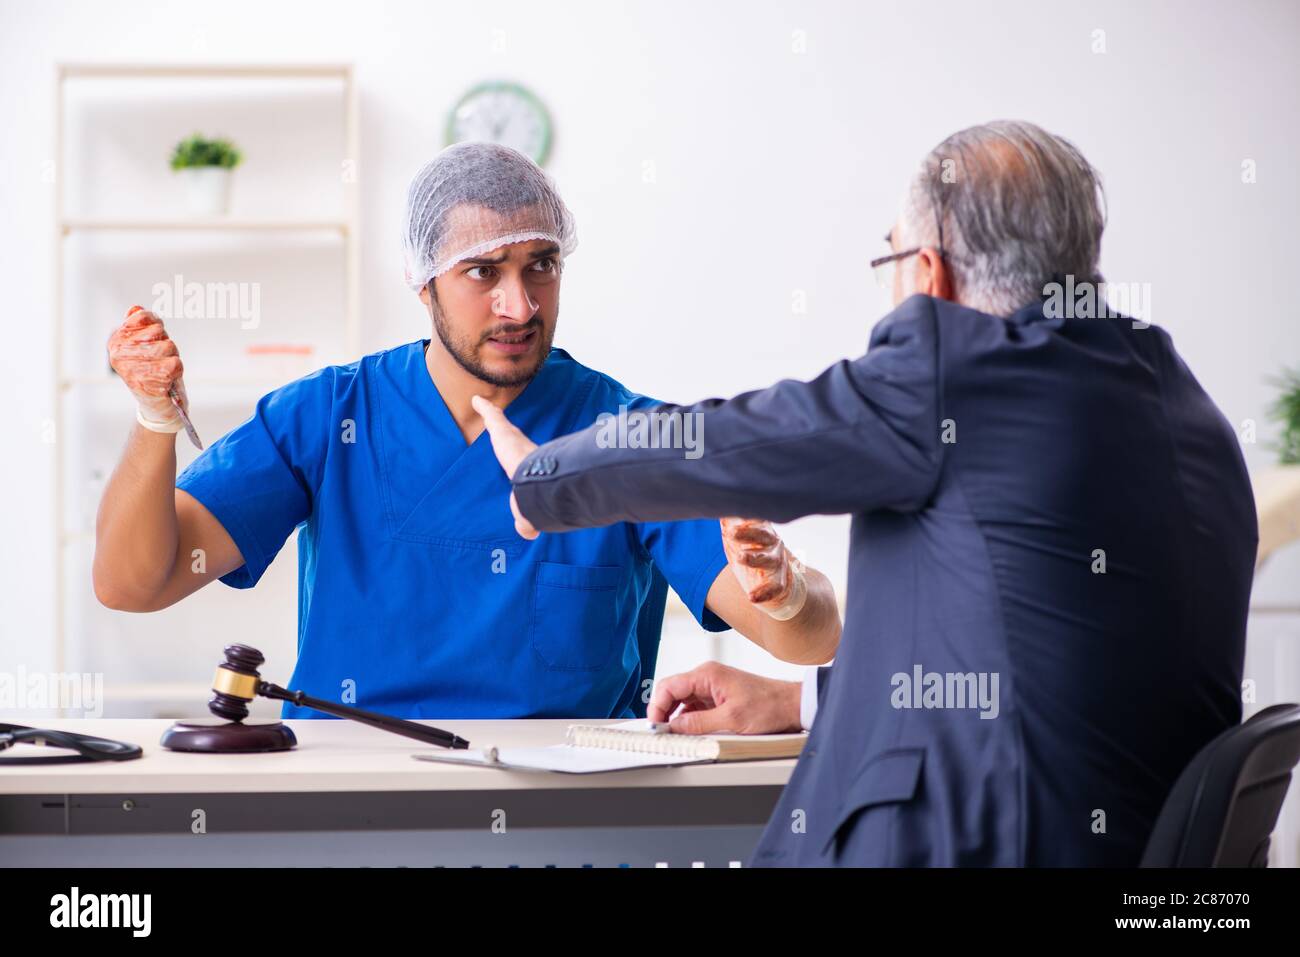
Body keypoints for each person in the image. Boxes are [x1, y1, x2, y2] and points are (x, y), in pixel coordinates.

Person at [474, 121, 1258, 866]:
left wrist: (545, 478)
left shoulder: (955, 373)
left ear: (931, 272)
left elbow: (728, 441)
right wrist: (801, 701)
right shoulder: (1186, 412)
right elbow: (1041, 668)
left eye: (889, 263)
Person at [92, 142, 841, 721]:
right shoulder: (326, 420)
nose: (519, 305)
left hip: (568, 829)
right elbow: (134, 582)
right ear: (423, 283)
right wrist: (156, 420)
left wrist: (784, 597)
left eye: (540, 265)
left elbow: (809, 639)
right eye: (483, 272)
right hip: (351, 816)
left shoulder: (625, 432)